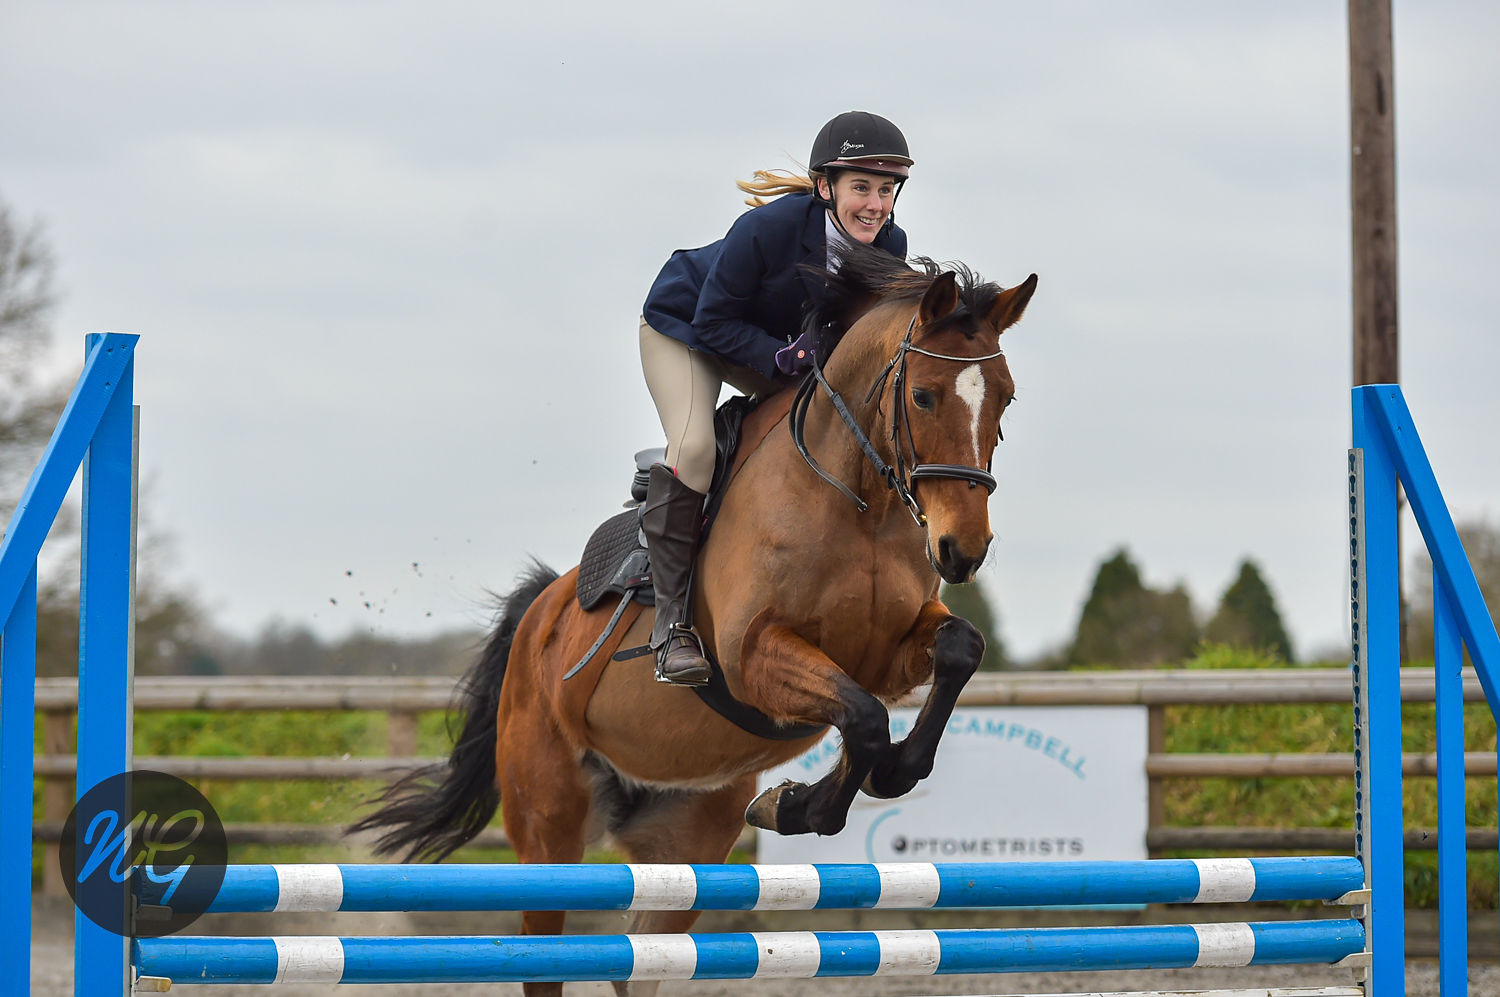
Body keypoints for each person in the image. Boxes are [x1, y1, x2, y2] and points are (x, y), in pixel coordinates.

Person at [637, 111, 914, 685]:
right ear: (825, 187)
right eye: (861, 187)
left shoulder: (890, 245)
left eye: (886, 190)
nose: (875, 204)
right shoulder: (769, 229)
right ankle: (671, 628)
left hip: (772, 345)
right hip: (685, 329)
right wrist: (782, 360)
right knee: (693, 450)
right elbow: (713, 325)